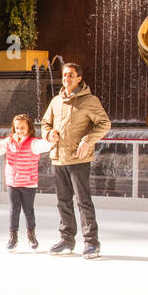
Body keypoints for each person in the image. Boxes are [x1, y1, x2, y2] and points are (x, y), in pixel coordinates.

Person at [40, 61, 111, 257]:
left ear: (79, 78)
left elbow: (105, 124)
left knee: (83, 201)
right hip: (58, 158)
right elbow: (45, 123)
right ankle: (66, 239)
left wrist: (87, 140)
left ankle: (91, 242)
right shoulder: (56, 101)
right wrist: (48, 134)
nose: (67, 78)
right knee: (63, 201)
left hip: (78, 159)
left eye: (71, 75)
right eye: (64, 75)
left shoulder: (89, 100)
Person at [0, 115, 52, 251]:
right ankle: (13, 237)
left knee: (28, 210)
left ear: (29, 127)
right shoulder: (10, 141)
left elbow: (44, 145)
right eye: (17, 127)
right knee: (13, 210)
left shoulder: (33, 143)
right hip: (13, 182)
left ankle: (31, 236)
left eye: (22, 127)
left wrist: (51, 138)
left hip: (28, 183)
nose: (19, 130)